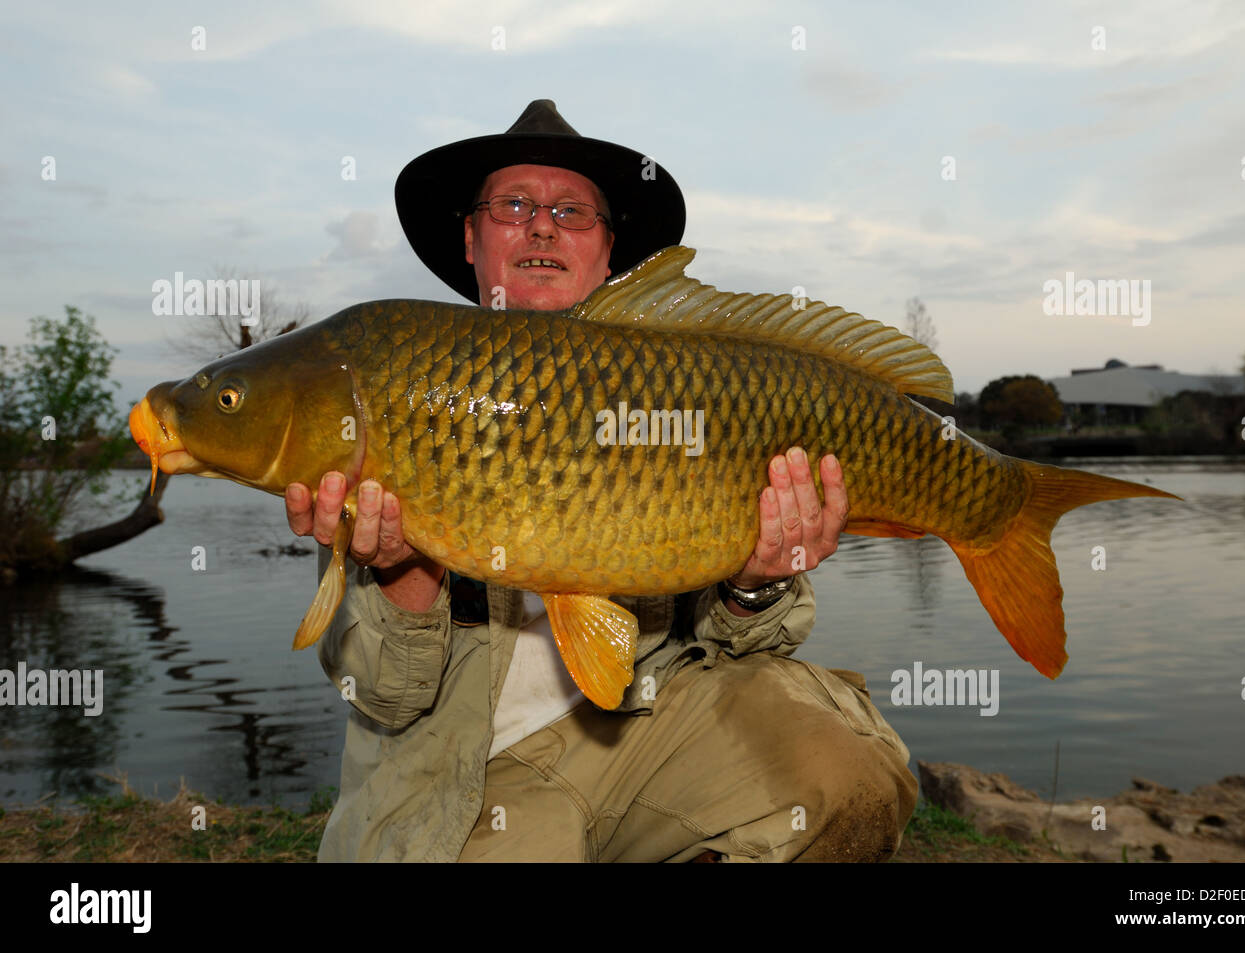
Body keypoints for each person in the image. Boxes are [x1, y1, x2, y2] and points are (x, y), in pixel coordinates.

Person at [286, 100, 917, 862]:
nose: (542, 226)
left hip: (652, 731)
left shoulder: (682, 380)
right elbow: (385, 694)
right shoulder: (403, 384)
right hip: (470, 780)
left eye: (572, 210)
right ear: (469, 236)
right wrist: (400, 567)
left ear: (609, 247)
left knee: (842, 775)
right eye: (513, 205)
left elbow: (751, 643)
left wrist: (753, 582)